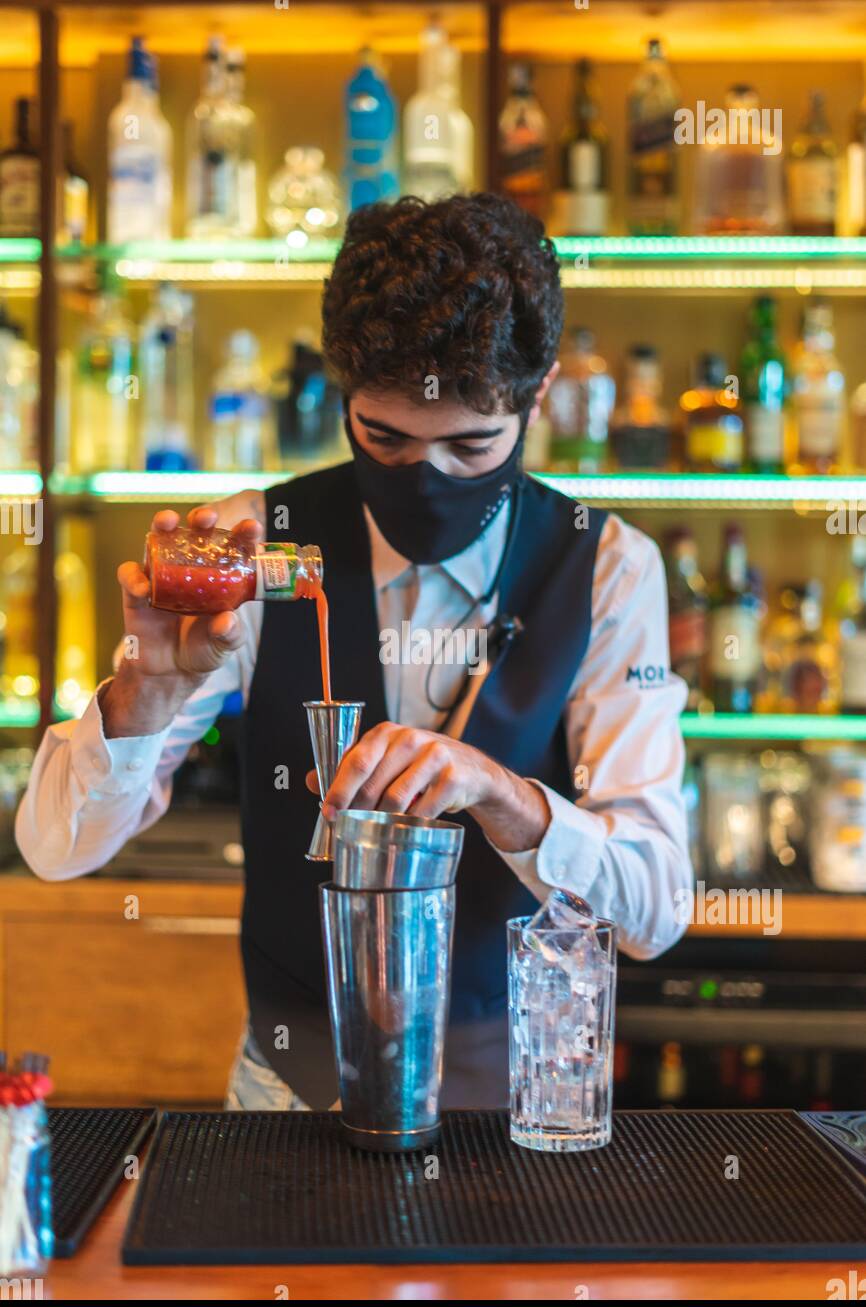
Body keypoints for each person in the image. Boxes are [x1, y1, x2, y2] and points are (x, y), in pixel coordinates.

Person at [17, 194, 692, 1109]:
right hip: (287, 1100)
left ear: (538, 398)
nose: (430, 478)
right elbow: (57, 852)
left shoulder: (606, 568)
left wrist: (505, 797)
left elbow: (656, 909)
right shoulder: (262, 543)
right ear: (342, 395)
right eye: (386, 439)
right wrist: (143, 694)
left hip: (514, 1113)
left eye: (472, 445)